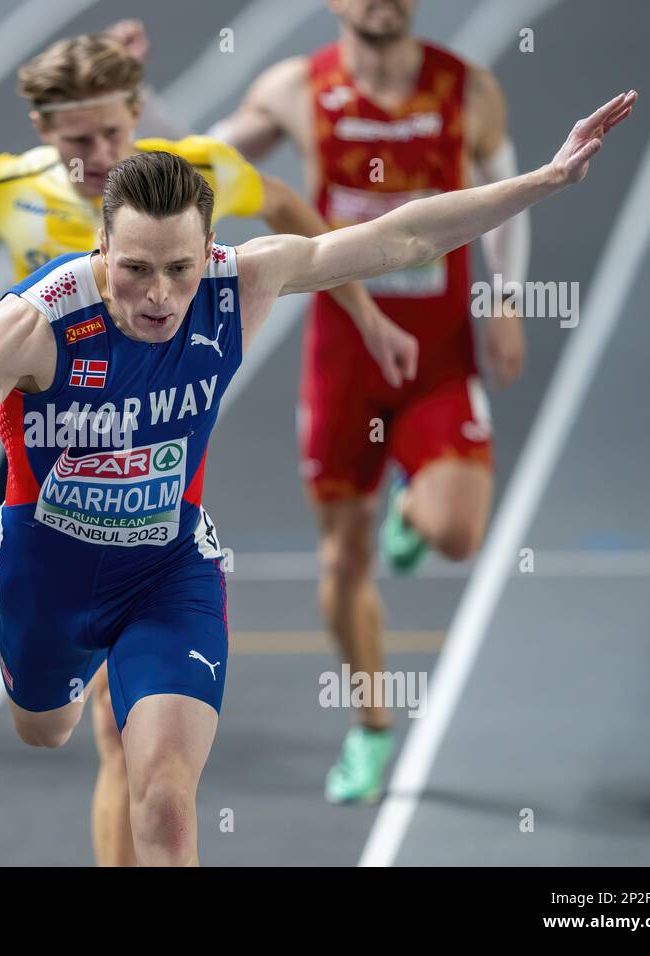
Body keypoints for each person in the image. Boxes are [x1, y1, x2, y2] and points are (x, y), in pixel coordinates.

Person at [0, 91, 637, 865]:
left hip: (168, 573)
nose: (159, 295)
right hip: (46, 573)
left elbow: (402, 239)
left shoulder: (240, 284)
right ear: (99, 248)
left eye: (180, 268)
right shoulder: (33, 325)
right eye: (135, 269)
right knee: (44, 730)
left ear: (211, 250)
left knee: (161, 796)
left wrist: (542, 181)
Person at [0, 30, 414, 866]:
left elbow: (301, 228)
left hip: (147, 458)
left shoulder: (191, 176)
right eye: (78, 141)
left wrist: (366, 315)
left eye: (113, 134)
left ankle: (123, 681)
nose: (100, 155)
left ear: (138, 117)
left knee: (131, 738)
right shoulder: (9, 190)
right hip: (44, 438)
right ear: (44, 132)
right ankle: (24, 573)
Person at [209, 0, 532, 802]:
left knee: (457, 533)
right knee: (341, 558)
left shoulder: (467, 90)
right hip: (345, 360)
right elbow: (197, 161)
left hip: (435, 356)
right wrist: (124, 136)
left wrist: (507, 300)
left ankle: (413, 513)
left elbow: (507, 189)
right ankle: (372, 728)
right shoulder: (295, 89)